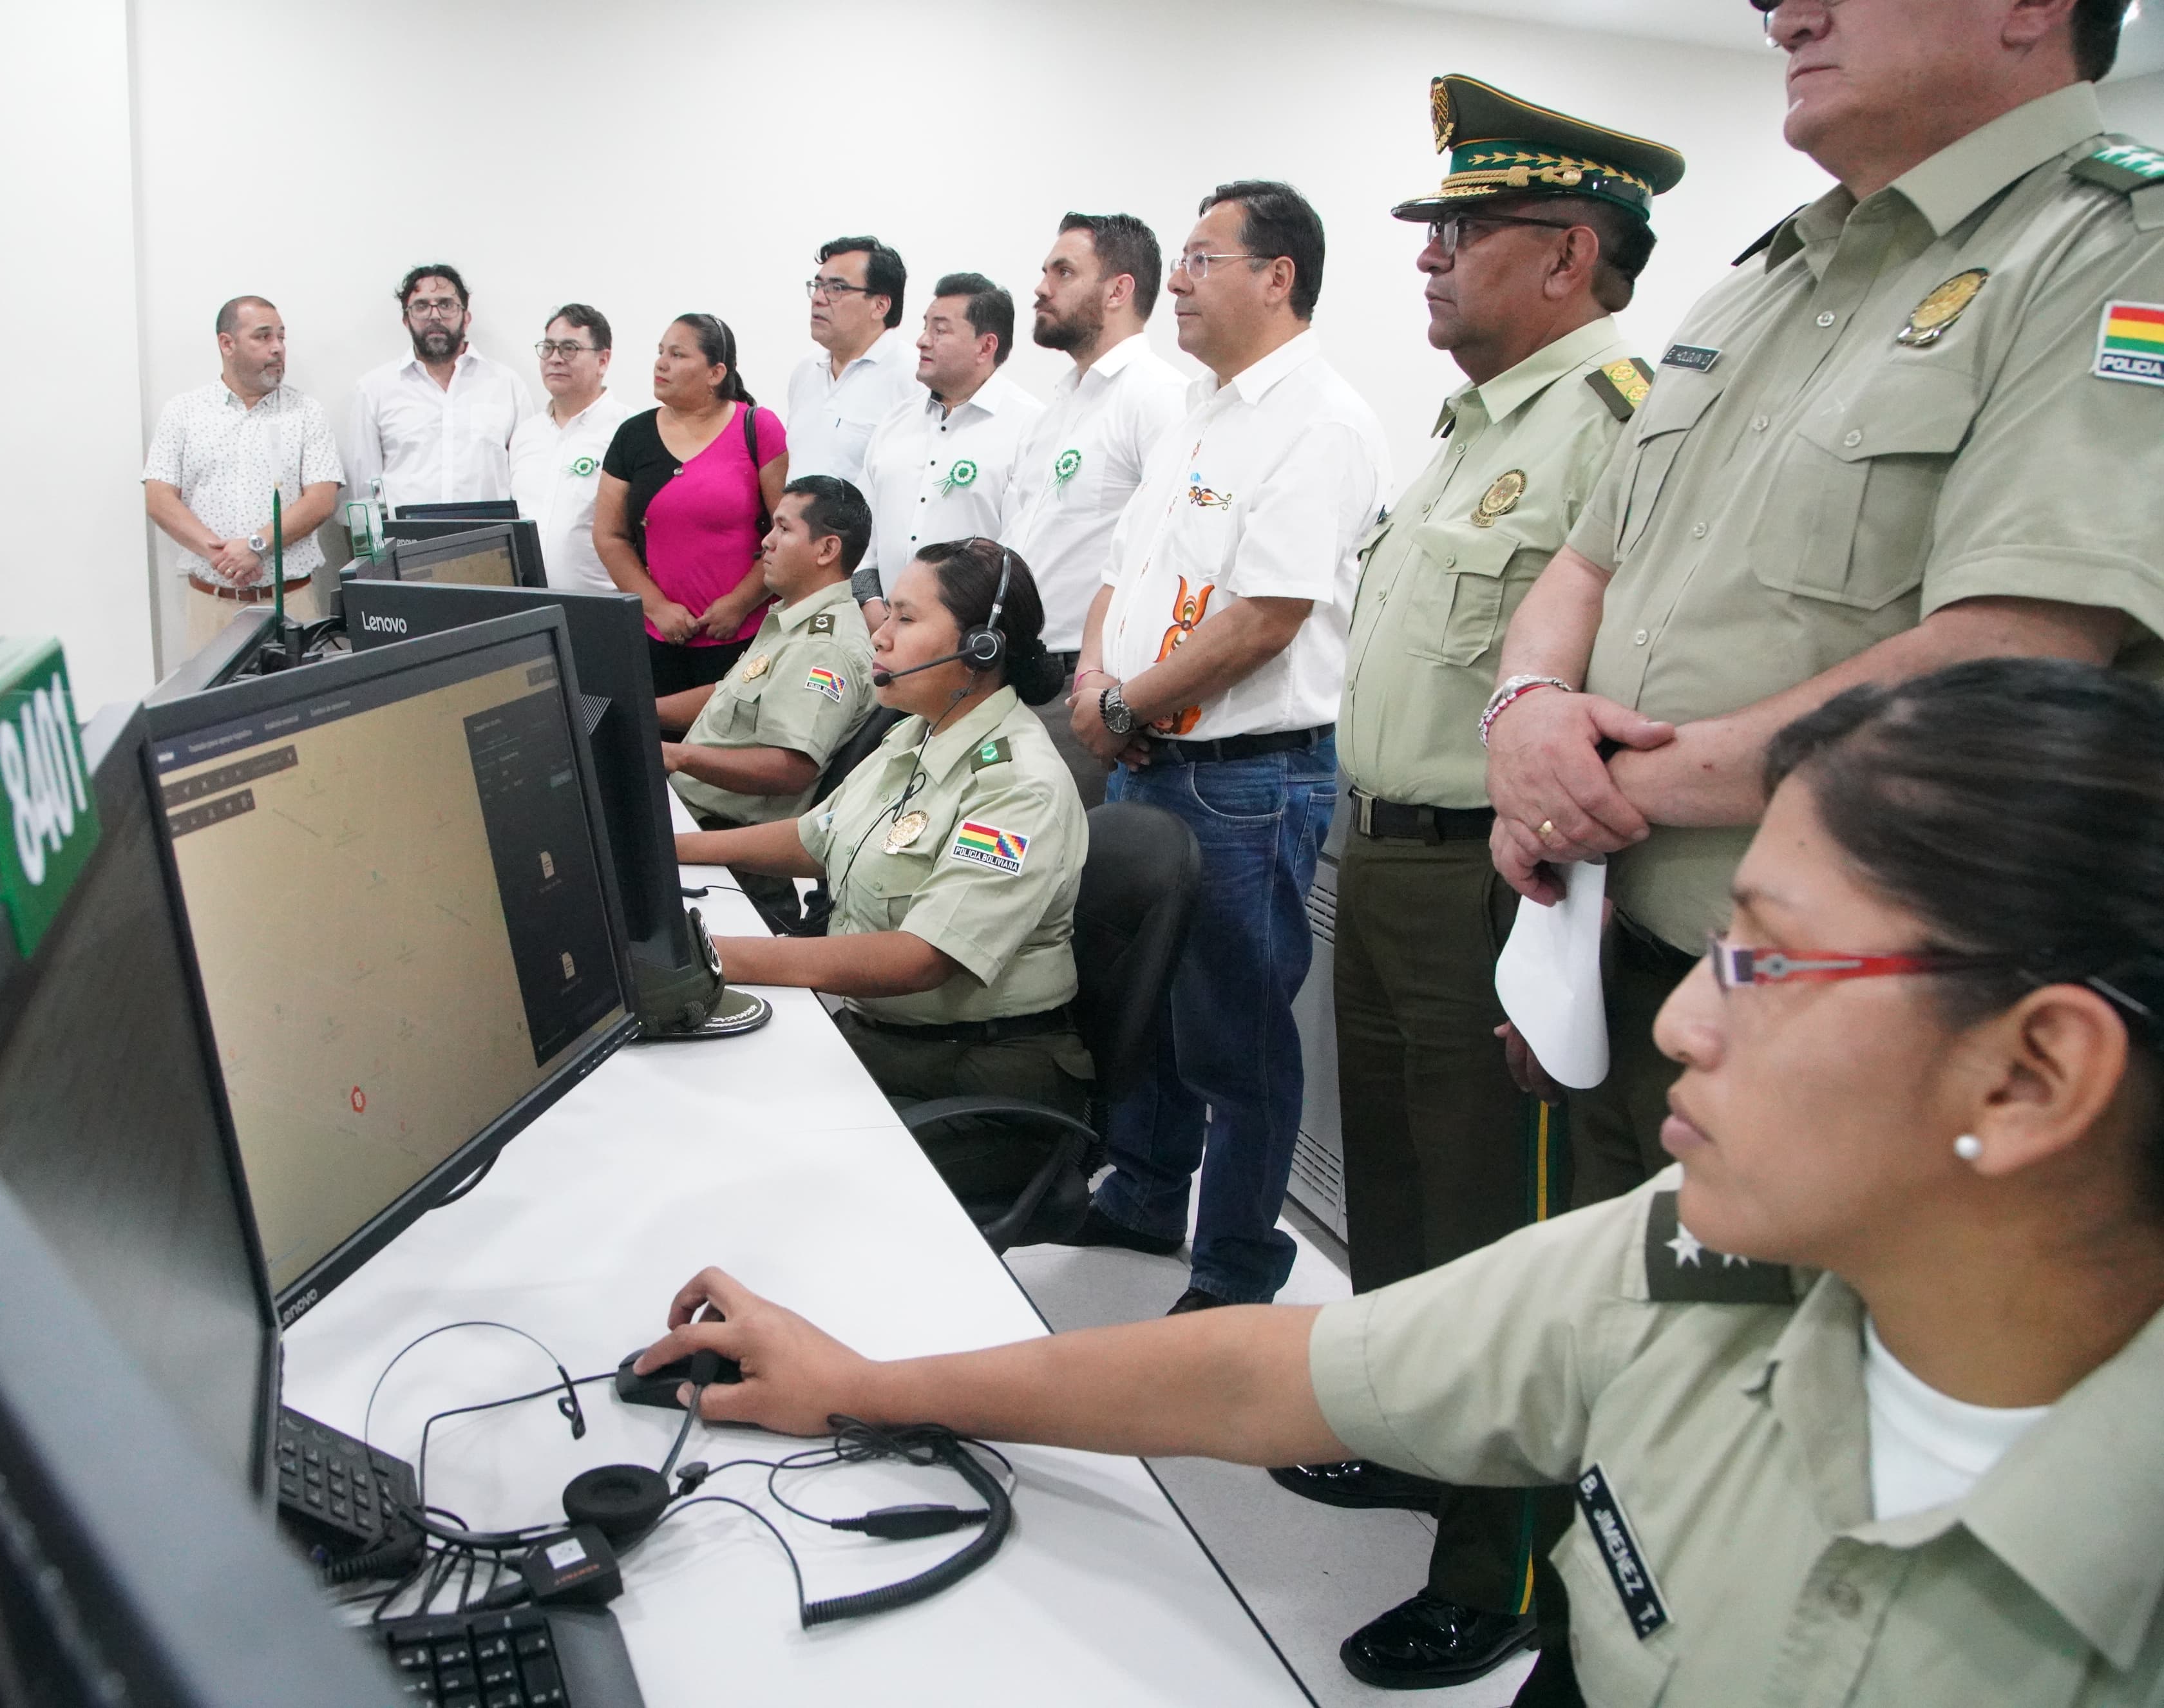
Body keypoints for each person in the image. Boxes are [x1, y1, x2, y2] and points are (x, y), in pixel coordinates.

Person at [638, 657, 2164, 1707]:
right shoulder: (1687, 1262)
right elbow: (1268, 1373)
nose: (1686, 1018)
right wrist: (873, 1381)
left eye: (1761, 957)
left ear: (2032, 1073)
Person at [1483, 0, 2164, 1220]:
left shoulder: (2115, 247)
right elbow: (1586, 566)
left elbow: (2013, 658)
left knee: (1779, 1395)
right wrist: (1527, 711)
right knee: (1620, 1384)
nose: (1786, 13)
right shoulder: (1765, 281)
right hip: (1612, 962)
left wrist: (1582, 797)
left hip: (1861, 1020)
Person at [1291, 75, 1686, 1696]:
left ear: (1571, 251)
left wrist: (1558, 938)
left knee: (1499, 1228)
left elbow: (1613, 703)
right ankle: (1411, 1433)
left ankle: (1506, 1561)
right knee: (1398, 1199)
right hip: (1380, 856)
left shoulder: (1621, 425)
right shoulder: (1471, 425)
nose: (1430, 259)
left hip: (1494, 887)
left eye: (1464, 230)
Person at [1056, 181, 1390, 1313]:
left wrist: (1121, 707)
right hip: (1148, 750)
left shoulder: (1322, 423)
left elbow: (1266, 618)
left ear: (1277, 276)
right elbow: (1122, 576)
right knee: (1145, 1004)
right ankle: (1147, 1194)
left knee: (1236, 1038)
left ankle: (1237, 1270)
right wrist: (1102, 681)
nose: (1178, 283)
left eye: (1202, 259)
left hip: (1245, 778)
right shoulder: (1201, 408)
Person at [677, 539, 1088, 1198]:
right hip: (896, 1042)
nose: (882, 634)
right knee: (705, 1099)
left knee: (754, 1173)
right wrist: (668, 847)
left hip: (980, 1074)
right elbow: (819, 837)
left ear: (981, 648)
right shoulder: (916, 729)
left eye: (905, 618)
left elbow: (920, 958)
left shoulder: (1017, 785)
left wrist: (708, 955)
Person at [1005, 213, 1190, 808]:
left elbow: (1178, 556)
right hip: (1016, 677)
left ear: (1118, 290)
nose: (1041, 287)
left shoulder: (1157, 397)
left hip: (1078, 692)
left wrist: (1129, 700)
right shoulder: (1059, 406)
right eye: (1045, 271)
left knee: (1060, 884)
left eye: (1064, 272)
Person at [661, 476, 878, 927]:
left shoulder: (825, 647)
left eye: (783, 529)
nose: (766, 541)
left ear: (826, 550)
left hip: (730, 859)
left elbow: (790, 768)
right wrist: (643, 712)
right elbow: (728, 693)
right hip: (700, 826)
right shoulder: (794, 620)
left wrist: (679, 756)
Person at [595, 315, 788, 696]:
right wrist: (656, 608)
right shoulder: (633, 435)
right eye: (660, 352)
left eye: (678, 354)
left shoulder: (759, 427)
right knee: (660, 747)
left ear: (716, 373)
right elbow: (608, 535)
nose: (661, 363)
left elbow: (787, 531)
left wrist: (739, 604)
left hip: (747, 635)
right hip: (658, 638)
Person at [142, 295, 342, 655]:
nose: (278, 348)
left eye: (282, 337)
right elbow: (158, 498)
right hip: (211, 607)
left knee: (301, 708)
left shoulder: (306, 413)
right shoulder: (184, 413)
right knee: (216, 711)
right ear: (227, 344)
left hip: (291, 604)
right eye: (263, 337)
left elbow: (322, 500)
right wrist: (223, 555)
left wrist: (255, 547)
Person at [849, 274, 1043, 616]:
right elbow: (864, 536)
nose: (922, 341)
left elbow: (1020, 554)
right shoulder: (895, 423)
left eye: (940, 330)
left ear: (986, 346)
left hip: (970, 644)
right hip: (882, 633)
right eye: (925, 327)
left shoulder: (1031, 427)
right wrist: (872, 606)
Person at [343, 264, 537, 515]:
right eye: (422, 306)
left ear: (466, 317)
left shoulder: (507, 385)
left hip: (490, 544)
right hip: (405, 546)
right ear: (406, 320)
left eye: (446, 305)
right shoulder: (374, 390)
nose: (434, 316)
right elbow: (363, 496)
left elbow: (528, 482)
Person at [510, 305, 638, 597]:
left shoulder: (629, 431)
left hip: (606, 605)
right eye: (548, 348)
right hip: (529, 606)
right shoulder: (525, 434)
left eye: (569, 348)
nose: (555, 359)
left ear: (603, 360)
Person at [783, 237, 923, 492]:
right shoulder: (806, 369)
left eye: (836, 288)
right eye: (817, 285)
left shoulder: (915, 376)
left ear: (880, 305)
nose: (818, 298)